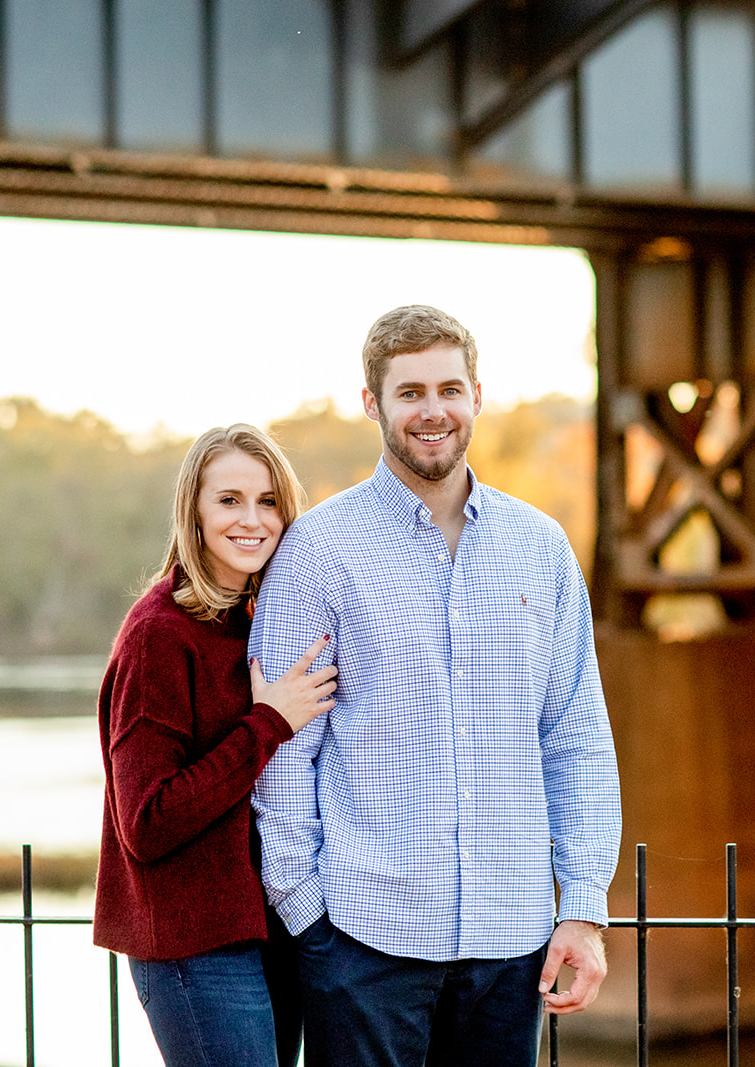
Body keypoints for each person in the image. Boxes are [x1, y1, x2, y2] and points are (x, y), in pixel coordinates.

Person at [250, 304, 622, 1065]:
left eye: (449, 388)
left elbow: (575, 735)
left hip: (512, 944)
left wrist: (581, 906)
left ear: (477, 396)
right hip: (363, 941)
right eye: (409, 391)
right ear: (372, 403)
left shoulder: (540, 548)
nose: (433, 410)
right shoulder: (319, 551)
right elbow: (288, 748)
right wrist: (308, 914)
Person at [93, 424, 339, 1067]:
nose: (252, 520)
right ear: (194, 513)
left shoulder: (256, 621)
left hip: (271, 929)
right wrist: (267, 724)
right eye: (229, 500)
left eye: (268, 501)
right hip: (193, 946)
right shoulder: (159, 636)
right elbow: (147, 820)